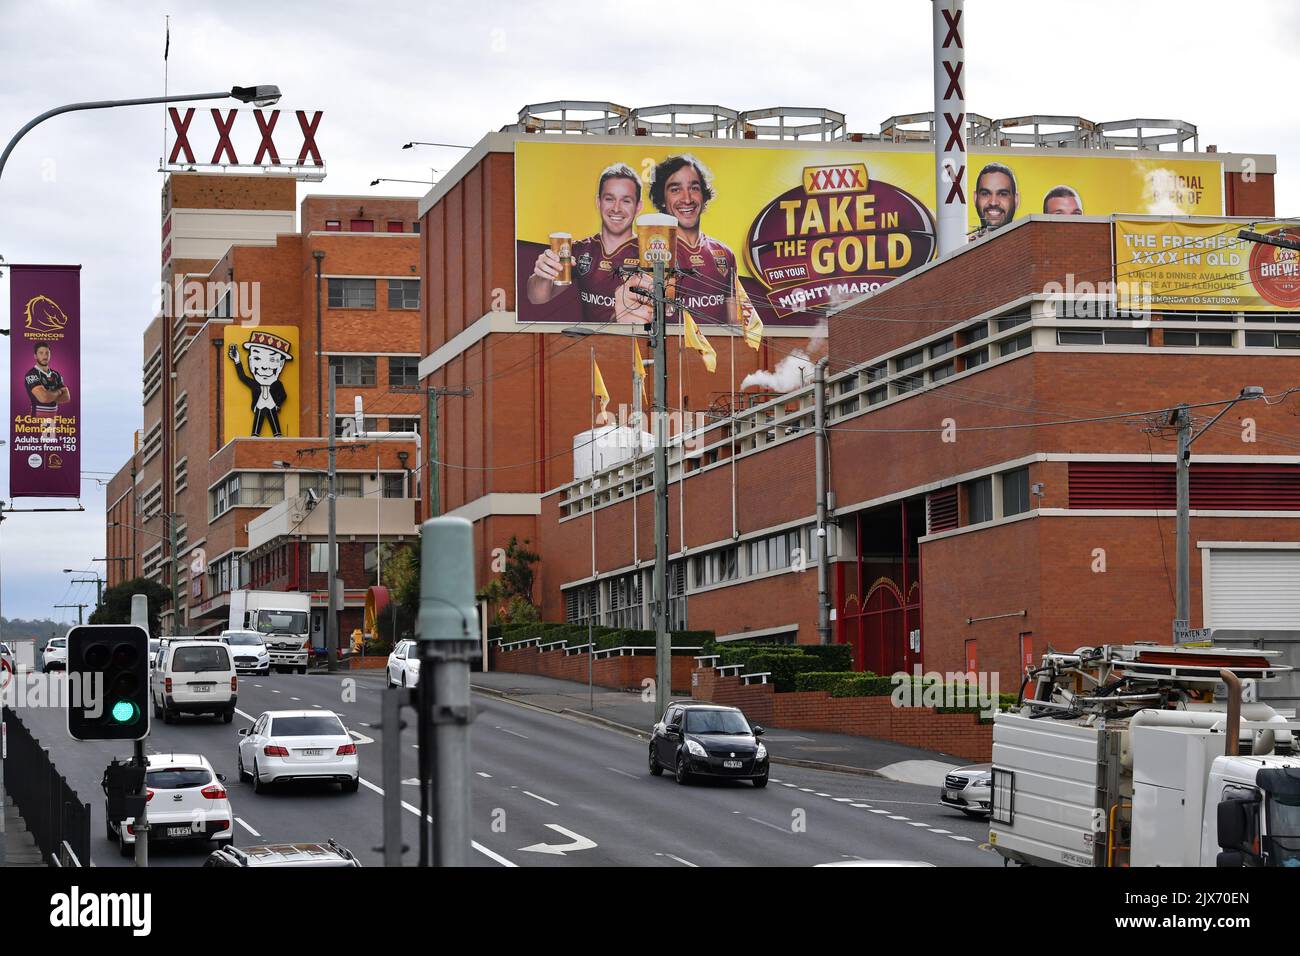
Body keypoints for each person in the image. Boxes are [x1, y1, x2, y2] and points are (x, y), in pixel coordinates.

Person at [527, 163, 645, 323]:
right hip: (587, 344)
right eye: (609, 199)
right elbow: (538, 298)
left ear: (638, 206)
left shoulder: (646, 254)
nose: (616, 208)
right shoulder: (581, 249)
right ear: (598, 202)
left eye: (626, 201)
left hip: (633, 345)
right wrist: (542, 275)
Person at [645, 153, 737, 325]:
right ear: (662, 200)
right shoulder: (651, 252)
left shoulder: (725, 254)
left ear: (704, 195)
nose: (687, 199)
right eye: (675, 190)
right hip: (670, 350)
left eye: (694, 188)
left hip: (715, 351)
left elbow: (734, 323)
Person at [227, 331, 293, 437]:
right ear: (250, 361)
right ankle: (255, 434)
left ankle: (277, 434)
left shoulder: (277, 384)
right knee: (258, 417)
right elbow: (242, 377)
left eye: (272, 360)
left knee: (273, 416)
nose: (264, 367)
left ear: (281, 364)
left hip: (272, 405)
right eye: (257, 358)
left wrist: (277, 405)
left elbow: (284, 395)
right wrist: (237, 360)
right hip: (260, 405)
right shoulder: (255, 385)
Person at [24, 343, 70, 415]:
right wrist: (58, 392)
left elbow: (66, 397)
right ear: (35, 356)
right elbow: (44, 398)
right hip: (36, 419)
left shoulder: (56, 374)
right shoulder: (31, 374)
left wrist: (49, 394)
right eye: (41, 353)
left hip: (53, 420)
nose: (45, 356)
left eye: (47, 353)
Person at [973, 162, 1020, 231]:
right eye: (985, 194)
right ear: (975, 198)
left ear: (1016, 200)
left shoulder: (1032, 240)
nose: (993, 202)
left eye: (1003, 194)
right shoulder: (960, 241)